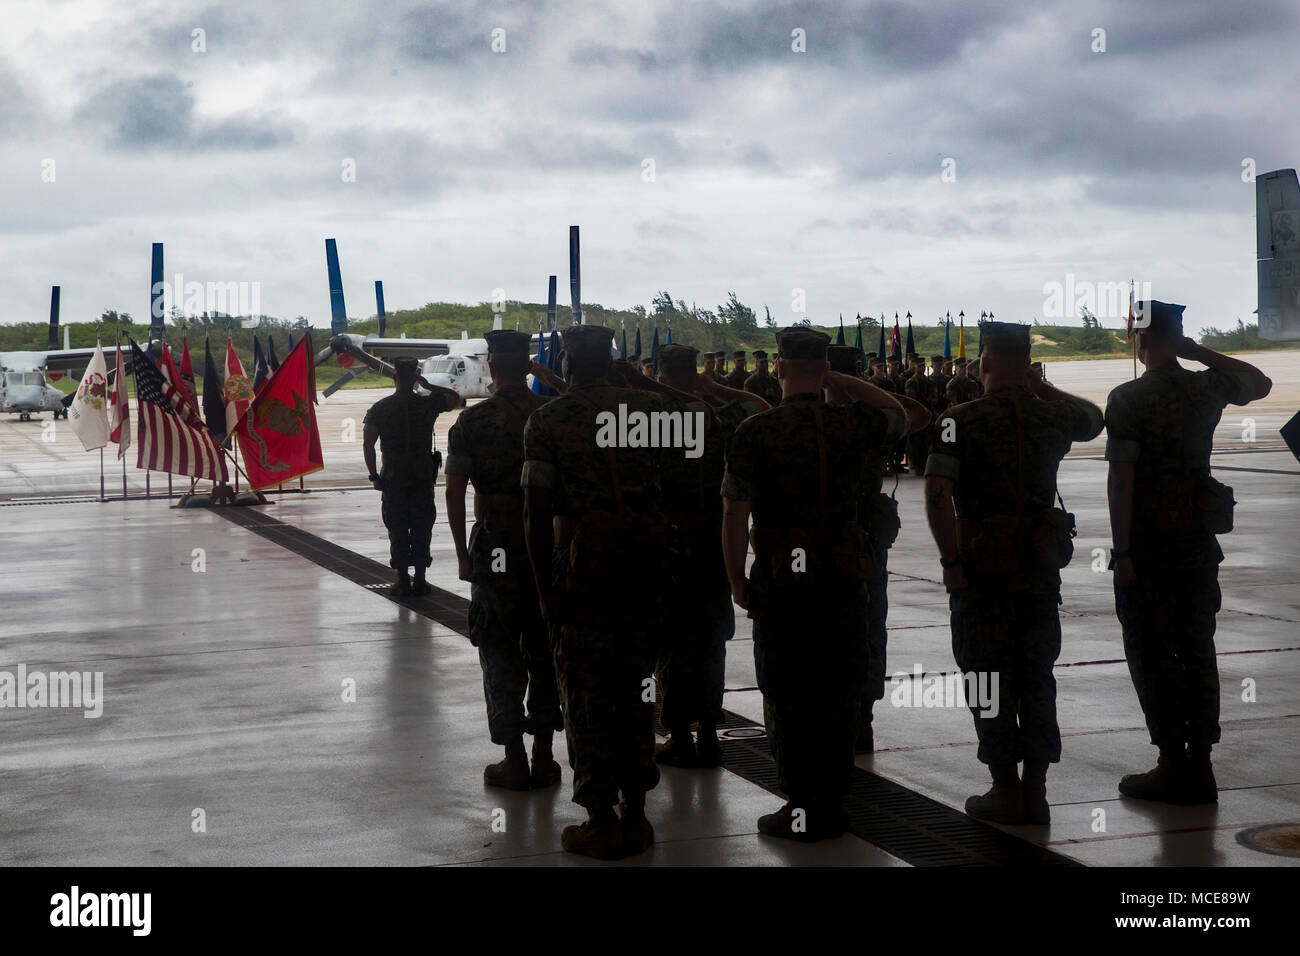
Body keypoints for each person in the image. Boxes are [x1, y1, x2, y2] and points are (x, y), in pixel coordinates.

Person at [722, 328, 926, 841]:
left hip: (782, 579)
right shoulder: (853, 423)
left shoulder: (756, 432)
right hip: (843, 574)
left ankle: (802, 805)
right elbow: (905, 417)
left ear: (780, 369)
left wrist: (736, 579)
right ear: (824, 369)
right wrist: (849, 383)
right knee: (837, 684)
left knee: (788, 688)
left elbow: (733, 512)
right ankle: (833, 800)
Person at [923, 322, 1103, 825]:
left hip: (982, 567)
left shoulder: (958, 420)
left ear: (983, 361)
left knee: (985, 674)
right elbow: (1093, 418)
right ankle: (1037, 790)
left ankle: (1004, 787)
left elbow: (937, 494)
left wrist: (950, 562)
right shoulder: (1051, 417)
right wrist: (1042, 387)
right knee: (1036, 673)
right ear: (1026, 364)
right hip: (1038, 566)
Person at [1105, 301, 1271, 804]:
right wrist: (1199, 352)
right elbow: (1259, 382)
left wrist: (1122, 551)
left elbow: (1122, 480)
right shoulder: (1206, 387)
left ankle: (1172, 764)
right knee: (1198, 647)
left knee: (1152, 651)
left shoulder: (1128, 398)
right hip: (1197, 539)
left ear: (1141, 339)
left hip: (1151, 542)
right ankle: (1201, 766)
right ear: (1177, 338)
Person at [522, 324, 673, 860]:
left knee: (586, 691)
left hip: (586, 569)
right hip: (647, 565)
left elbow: (536, 514)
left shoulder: (549, 420)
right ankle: (637, 810)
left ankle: (600, 818)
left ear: (566, 363)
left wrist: (544, 589)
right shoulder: (652, 411)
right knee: (638, 684)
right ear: (608, 363)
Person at [445, 331, 564, 792]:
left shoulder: (473, 423)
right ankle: (545, 756)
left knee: (498, 645)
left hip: (496, 547)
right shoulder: (550, 417)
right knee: (544, 646)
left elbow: (455, 491)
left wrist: (460, 553)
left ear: (492, 368)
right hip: (547, 546)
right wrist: (545, 375)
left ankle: (514, 758)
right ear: (527, 365)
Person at [827, 347, 928, 752]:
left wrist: (850, 386)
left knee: (850, 629)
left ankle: (853, 720)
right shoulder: (875, 422)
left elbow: (920, 415)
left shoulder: (858, 420)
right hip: (862, 546)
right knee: (869, 627)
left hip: (838, 544)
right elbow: (916, 415)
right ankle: (859, 718)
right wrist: (861, 388)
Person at [363, 357, 464, 595]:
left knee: (397, 528)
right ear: (415, 378)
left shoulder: (380, 408)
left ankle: (402, 580)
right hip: (421, 478)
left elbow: (368, 444)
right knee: (421, 527)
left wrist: (374, 476)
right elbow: (455, 398)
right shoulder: (427, 404)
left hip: (393, 478)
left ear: (395, 377)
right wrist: (429, 386)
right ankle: (420, 579)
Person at [904, 354, 939, 474]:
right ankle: (918, 465)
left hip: (929, 414)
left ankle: (926, 464)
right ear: (914, 367)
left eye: (923, 366)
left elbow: (935, 398)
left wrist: (928, 400)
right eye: (920, 366)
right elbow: (912, 399)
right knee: (915, 443)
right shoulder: (911, 382)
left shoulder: (930, 381)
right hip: (917, 415)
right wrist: (927, 399)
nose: (922, 368)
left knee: (929, 441)